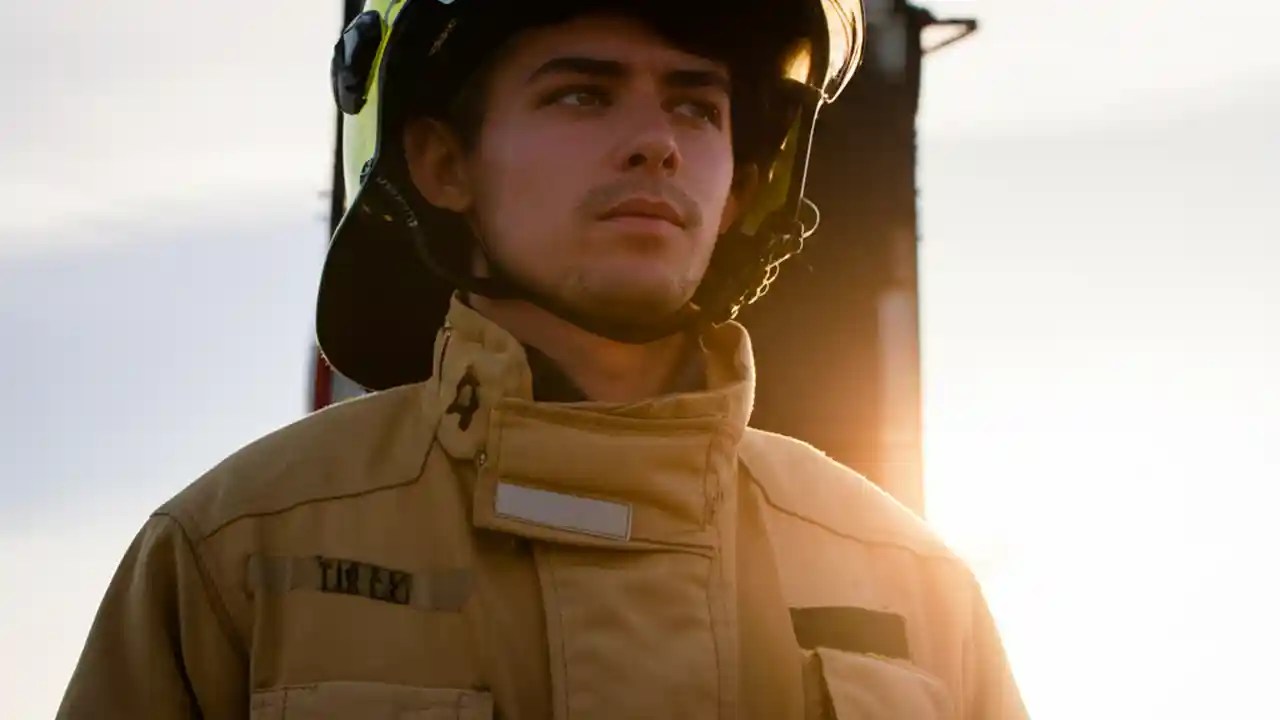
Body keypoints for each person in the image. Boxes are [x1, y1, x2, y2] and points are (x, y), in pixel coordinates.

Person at [59, 0, 1027, 717]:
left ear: (739, 190)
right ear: (441, 162)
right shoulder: (232, 563)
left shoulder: (915, 589)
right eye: (581, 93)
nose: (654, 144)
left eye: (696, 109)